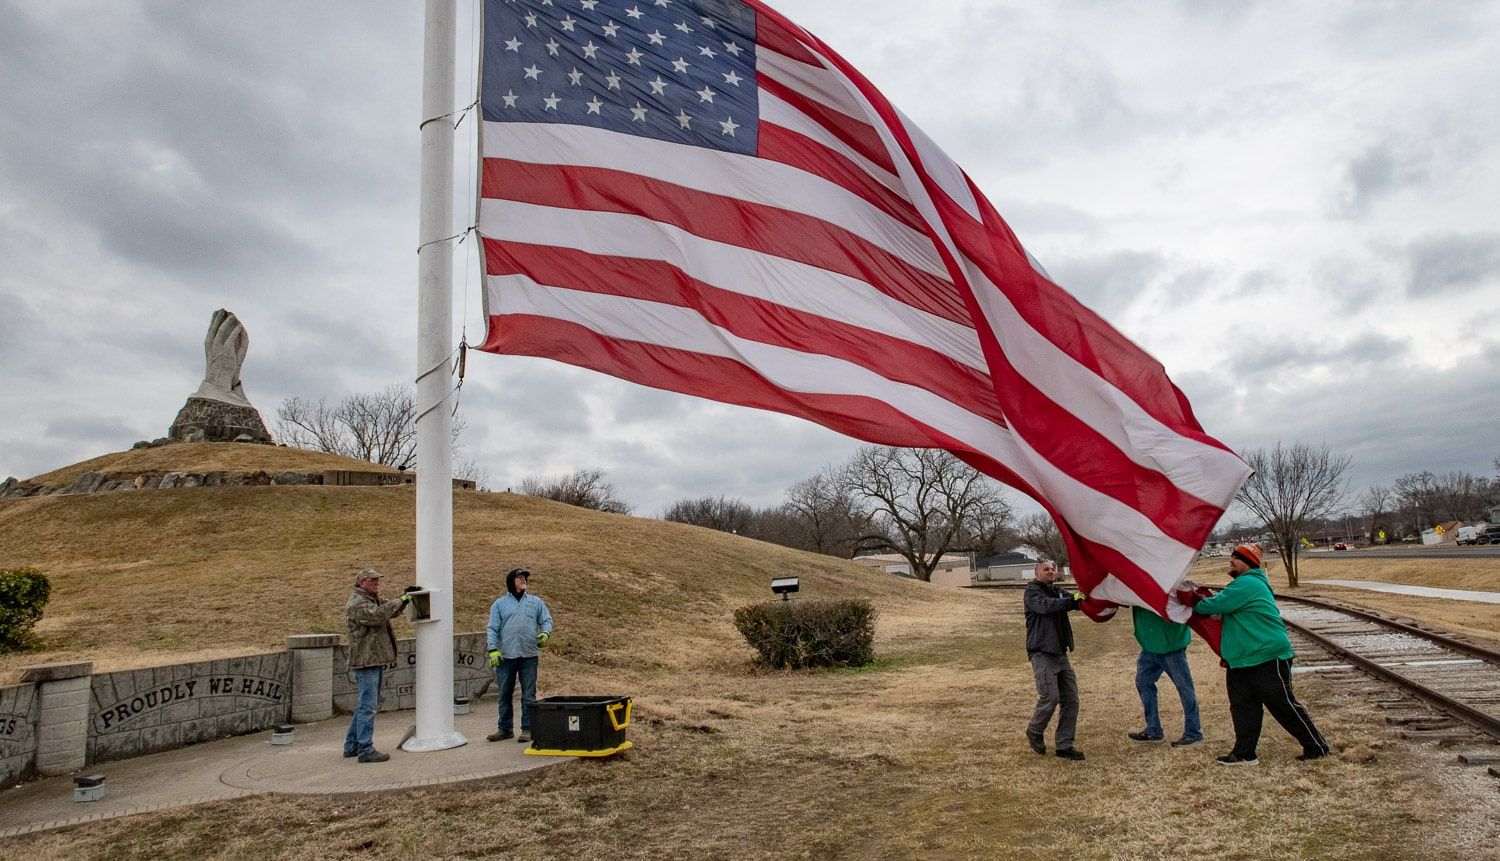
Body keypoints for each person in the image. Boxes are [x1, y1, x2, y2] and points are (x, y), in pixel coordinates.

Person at [1183, 543, 1331, 765]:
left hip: (1267, 656)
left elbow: (1210, 606)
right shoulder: (1244, 584)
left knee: (1282, 705)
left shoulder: (1248, 584)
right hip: (1242, 659)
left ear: (1249, 563)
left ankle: (1316, 746)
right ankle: (1244, 753)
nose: (1231, 560)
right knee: (1243, 706)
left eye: (1236, 557)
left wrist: (1188, 596)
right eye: (1231, 556)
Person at [343, 568, 412, 763]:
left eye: (377, 580)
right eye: (372, 580)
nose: (376, 583)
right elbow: (379, 615)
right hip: (366, 662)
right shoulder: (358, 604)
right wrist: (404, 599)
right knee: (368, 706)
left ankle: (351, 745)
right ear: (361, 583)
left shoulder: (370, 600)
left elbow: (391, 610)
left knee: (364, 705)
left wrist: (404, 599)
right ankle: (365, 749)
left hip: (373, 660)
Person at [1023, 560, 1086, 761]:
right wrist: (1073, 599)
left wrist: (1088, 597)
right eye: (1046, 569)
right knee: (1050, 697)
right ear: (1036, 573)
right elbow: (1045, 607)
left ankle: (1064, 745)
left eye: (1053, 569)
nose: (1050, 572)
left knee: (1071, 700)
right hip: (1042, 652)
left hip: (1060, 653)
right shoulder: (1032, 592)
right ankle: (1034, 730)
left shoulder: (1059, 592)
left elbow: (1075, 600)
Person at [486, 568, 554, 743]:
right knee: (504, 693)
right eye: (520, 577)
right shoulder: (499, 605)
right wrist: (493, 649)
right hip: (506, 656)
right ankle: (505, 729)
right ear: (511, 582)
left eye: (525, 577)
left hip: (529, 655)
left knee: (529, 694)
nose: (523, 580)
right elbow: (492, 628)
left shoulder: (535, 602)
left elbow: (546, 620)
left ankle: (528, 729)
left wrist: (545, 634)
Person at [1128, 606, 1203, 747]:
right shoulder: (1136, 589)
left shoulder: (1169, 585)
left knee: (1184, 688)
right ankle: (1153, 729)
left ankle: (1193, 732)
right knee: (1143, 682)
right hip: (1150, 645)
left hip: (1171, 646)